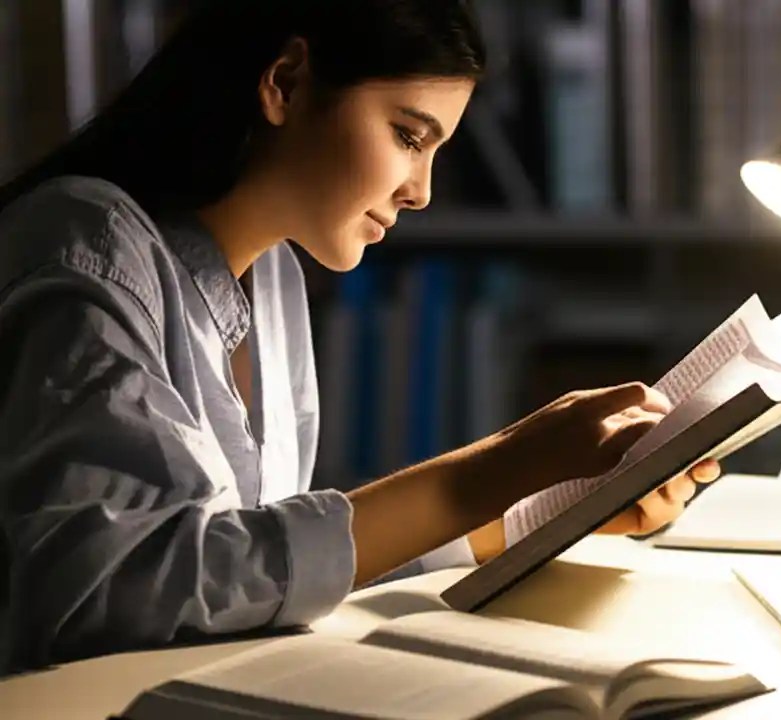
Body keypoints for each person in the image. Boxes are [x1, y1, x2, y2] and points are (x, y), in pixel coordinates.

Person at [0, 0, 719, 673]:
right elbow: (100, 593)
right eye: (409, 136)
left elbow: (255, 573)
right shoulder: (85, 244)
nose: (421, 190)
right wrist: (495, 469)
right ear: (285, 83)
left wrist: (547, 508)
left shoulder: (274, 276)